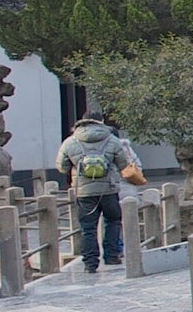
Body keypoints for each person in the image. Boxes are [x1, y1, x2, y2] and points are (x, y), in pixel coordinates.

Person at [56, 112, 141, 273]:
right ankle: (111, 256)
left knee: (87, 227)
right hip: (108, 189)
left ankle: (90, 263)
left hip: (84, 191)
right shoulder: (112, 140)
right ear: (100, 122)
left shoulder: (70, 142)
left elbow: (62, 167)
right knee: (113, 221)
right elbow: (123, 164)